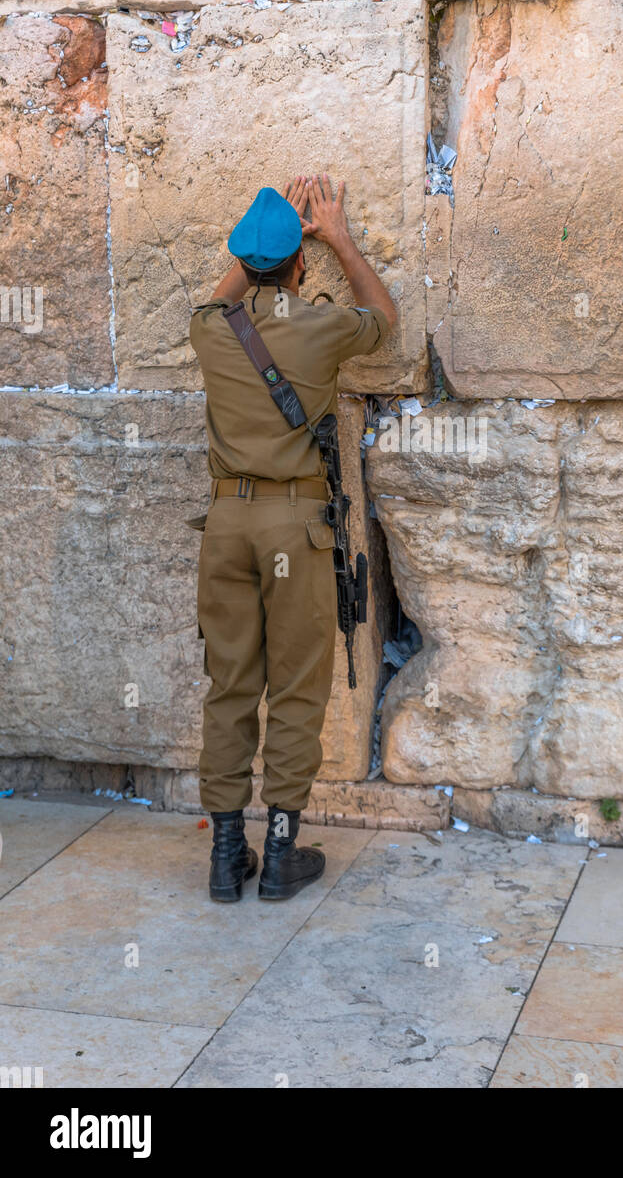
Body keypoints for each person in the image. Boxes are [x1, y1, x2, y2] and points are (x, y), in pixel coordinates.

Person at [189, 174, 396, 902]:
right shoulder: (321, 327)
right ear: (301, 266)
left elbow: (224, 293)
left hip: (226, 527)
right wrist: (335, 234)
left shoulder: (211, 329)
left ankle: (224, 855)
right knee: (297, 688)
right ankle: (280, 853)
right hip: (294, 526)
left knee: (231, 685)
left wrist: (259, 239)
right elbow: (384, 318)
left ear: (245, 262)